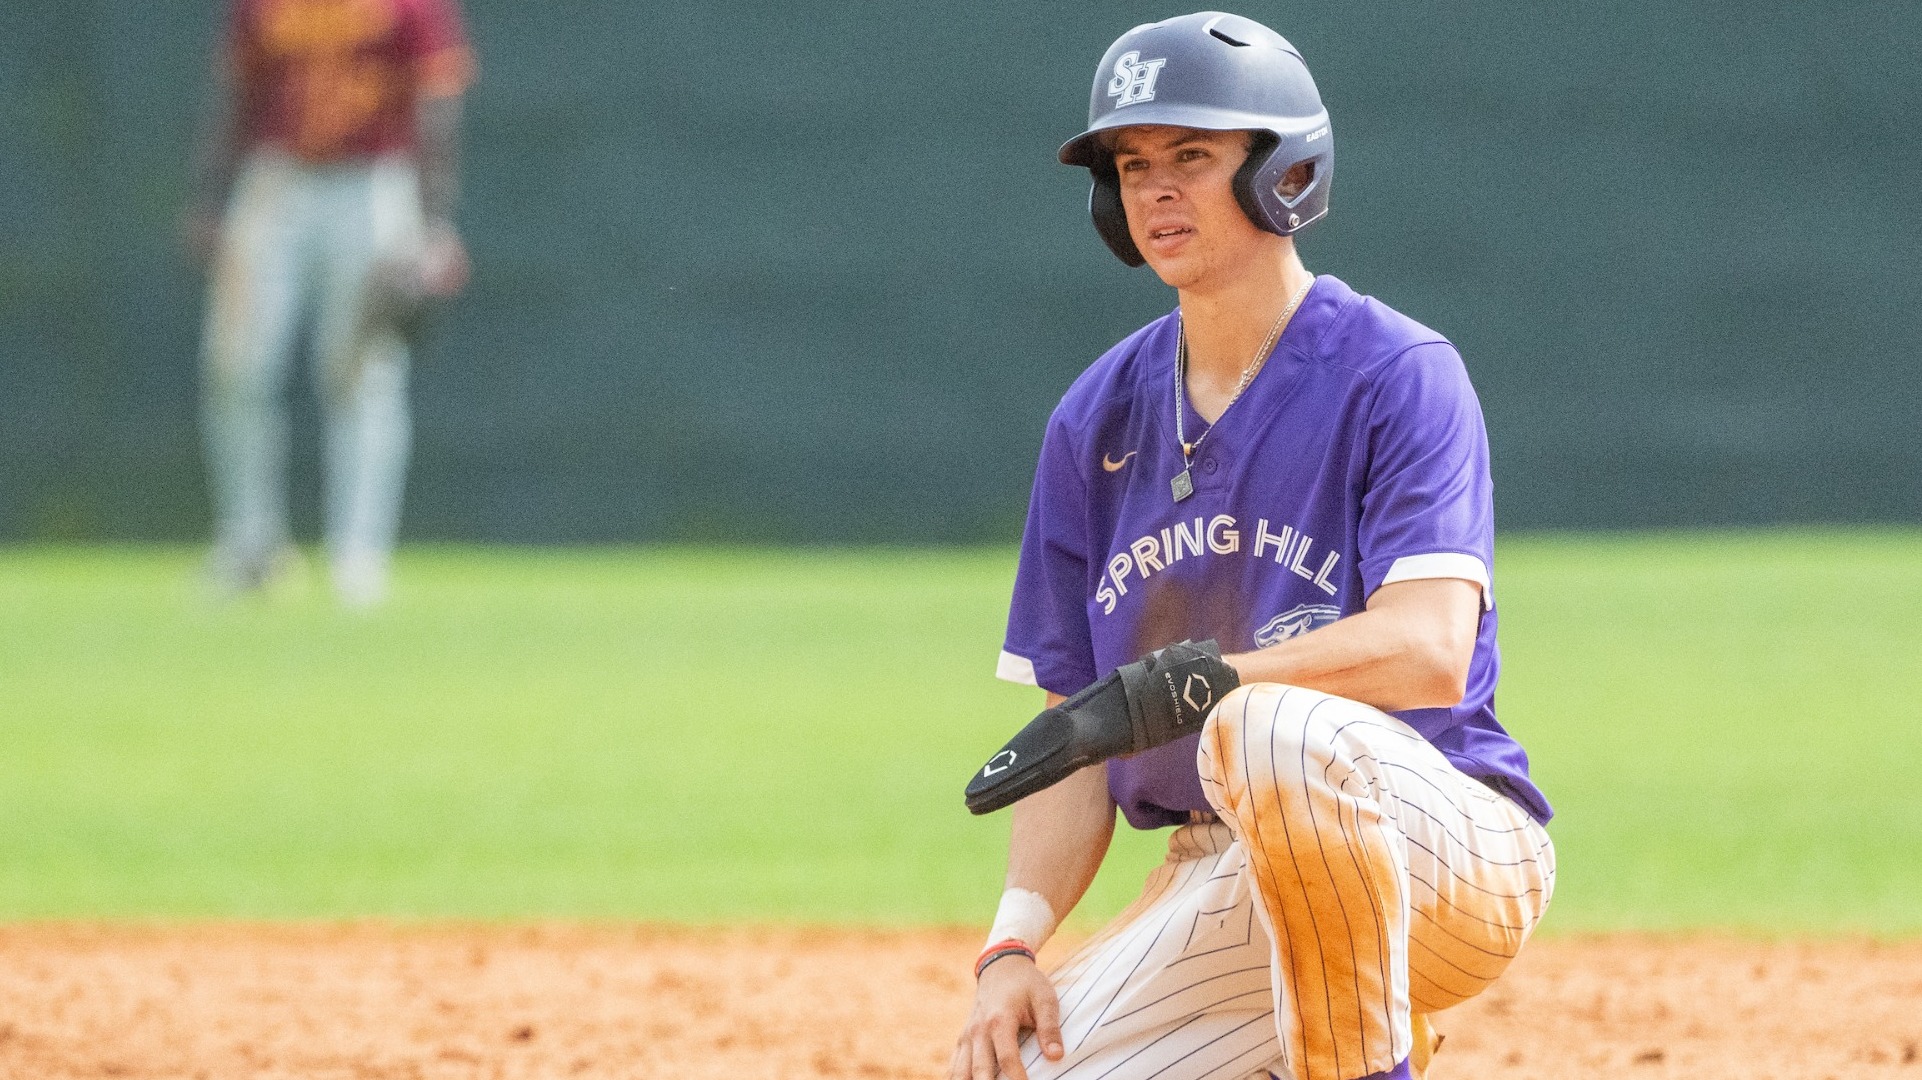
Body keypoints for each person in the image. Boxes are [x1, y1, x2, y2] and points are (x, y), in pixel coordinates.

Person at [952, 13, 1555, 1080]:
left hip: (1443, 847)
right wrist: (1010, 942)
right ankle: (1315, 1028)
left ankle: (1363, 1059)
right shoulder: (1092, 421)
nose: (1152, 190)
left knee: (1264, 729)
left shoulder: (1395, 373)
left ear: (1282, 174)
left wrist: (1197, 685)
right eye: (1130, 165)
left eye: (1191, 155)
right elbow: (1072, 732)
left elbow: (1426, 649)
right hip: (1231, 875)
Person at [185, 0, 476, 607]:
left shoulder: (411, 5)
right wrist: (211, 199)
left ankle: (359, 557)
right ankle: (250, 545)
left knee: (362, 375)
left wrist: (434, 225)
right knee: (235, 366)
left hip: (372, 188)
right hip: (275, 183)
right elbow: (237, 101)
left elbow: (436, 109)